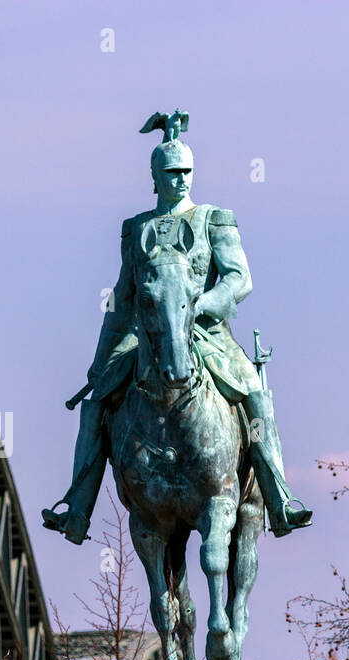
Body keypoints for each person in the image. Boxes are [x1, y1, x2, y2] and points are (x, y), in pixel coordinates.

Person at [43, 112, 312, 545]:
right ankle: (77, 509)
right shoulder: (137, 229)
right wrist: (100, 362)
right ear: (155, 176)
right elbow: (122, 301)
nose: (181, 179)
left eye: (186, 171)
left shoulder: (213, 219)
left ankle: (279, 497)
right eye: (172, 172)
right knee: (96, 407)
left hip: (206, 334)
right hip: (146, 336)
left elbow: (239, 278)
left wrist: (199, 306)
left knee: (256, 398)